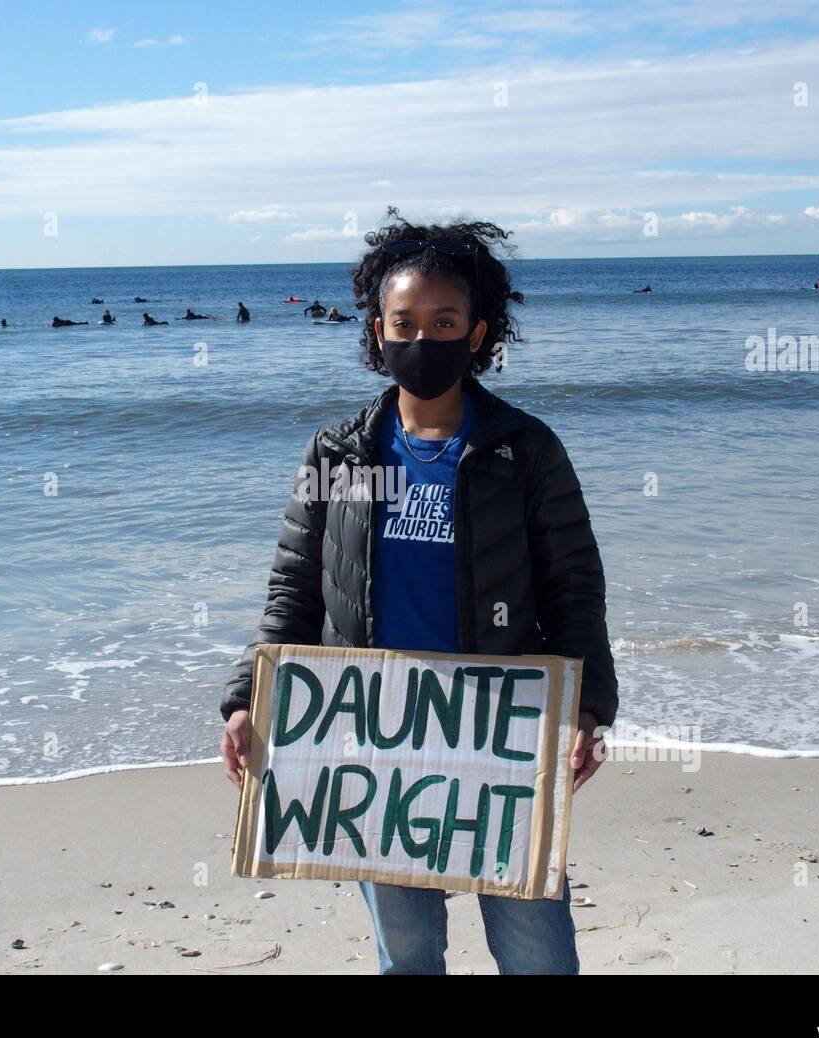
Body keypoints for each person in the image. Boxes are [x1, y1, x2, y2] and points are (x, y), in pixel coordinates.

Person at [217, 206, 618, 976]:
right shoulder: (337, 452)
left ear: (476, 332)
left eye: (444, 321)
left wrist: (588, 706)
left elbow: (575, 590)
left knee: (539, 953)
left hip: (499, 746)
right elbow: (294, 589)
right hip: (378, 748)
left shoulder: (523, 450)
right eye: (404, 321)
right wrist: (246, 698)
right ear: (376, 330)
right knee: (406, 956)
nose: (422, 339)